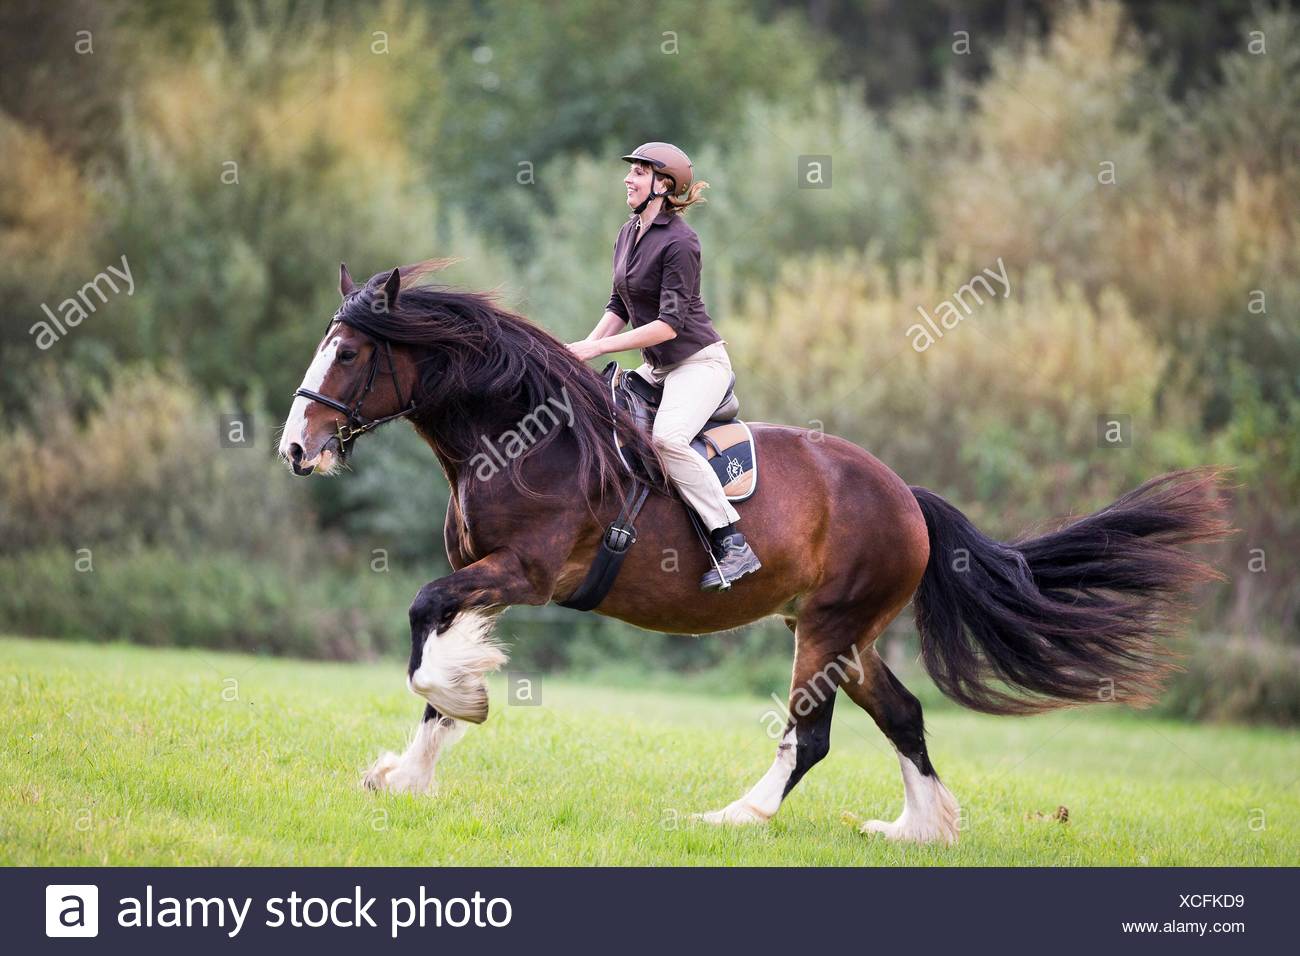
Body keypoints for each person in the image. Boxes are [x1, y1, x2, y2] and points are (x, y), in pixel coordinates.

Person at [567, 142, 761, 591]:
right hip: (658, 369)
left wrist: (597, 351)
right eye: (631, 171)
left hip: (697, 364)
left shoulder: (681, 243)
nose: (628, 179)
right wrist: (580, 348)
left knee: (668, 440)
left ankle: (732, 543)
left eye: (638, 172)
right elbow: (619, 303)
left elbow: (668, 327)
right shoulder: (627, 232)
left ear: (663, 184)